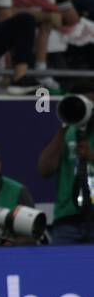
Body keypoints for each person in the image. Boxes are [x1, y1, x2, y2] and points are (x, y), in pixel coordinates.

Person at [37, 81, 94, 244]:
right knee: (62, 268)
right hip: (67, 221)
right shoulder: (66, 135)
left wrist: (91, 156)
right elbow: (44, 170)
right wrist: (64, 126)